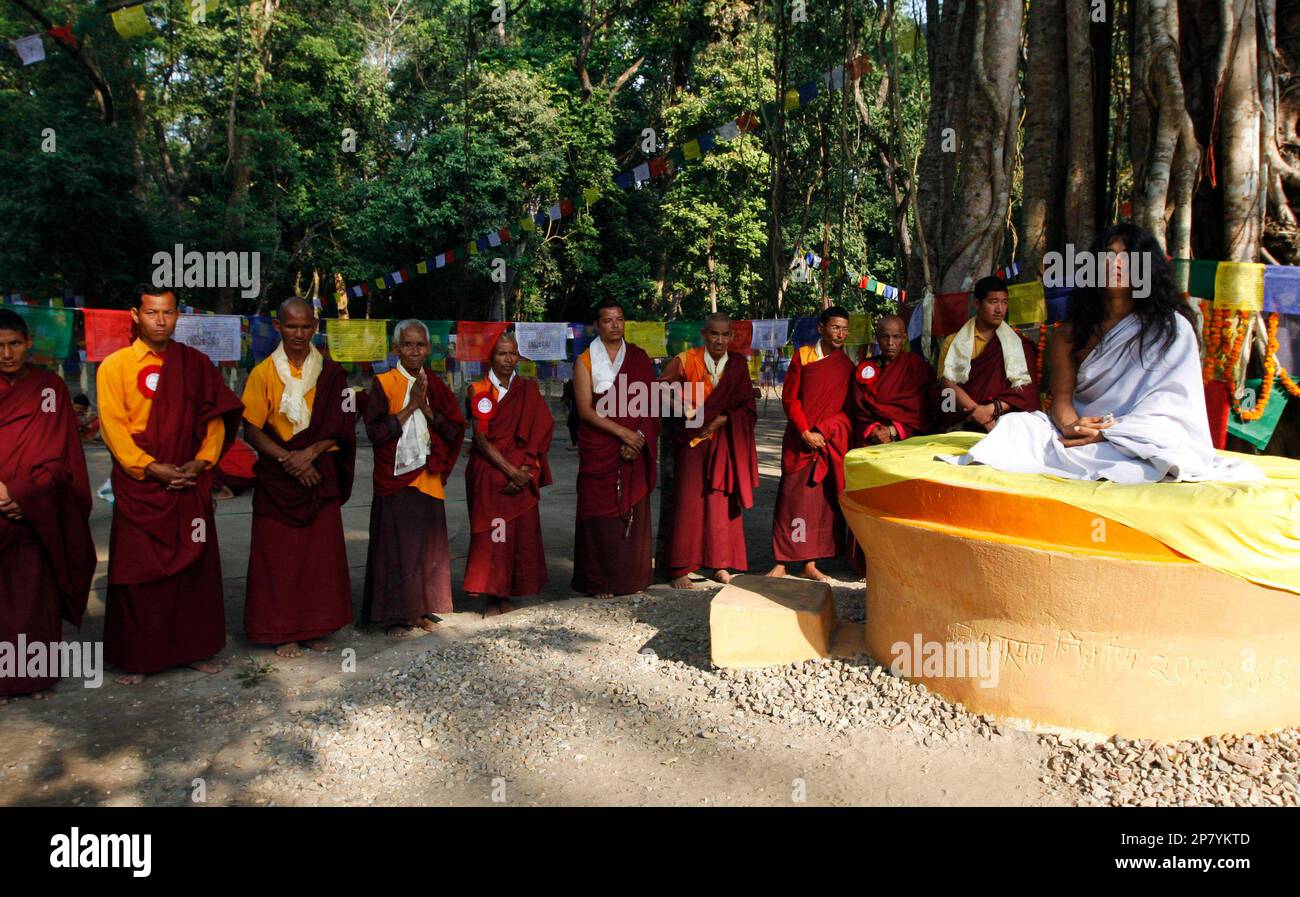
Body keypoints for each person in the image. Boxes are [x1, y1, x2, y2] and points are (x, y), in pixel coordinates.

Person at [946, 224, 1264, 483]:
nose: (1117, 264)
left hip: (1137, 438)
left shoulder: (1172, 329)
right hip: (1079, 432)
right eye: (1109, 256)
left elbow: (1169, 408)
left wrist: (1110, 433)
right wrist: (1075, 429)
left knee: (1152, 456)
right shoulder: (1068, 333)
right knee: (1019, 429)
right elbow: (1061, 403)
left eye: (1129, 257)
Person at [96, 288, 243, 683]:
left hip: (189, 477)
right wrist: (149, 467)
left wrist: (202, 461)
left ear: (178, 316)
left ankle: (192, 649)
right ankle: (140, 656)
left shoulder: (194, 364)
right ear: (135, 314)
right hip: (140, 484)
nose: (160, 321)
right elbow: (113, 428)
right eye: (151, 312)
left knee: (192, 568)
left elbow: (215, 417)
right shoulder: (114, 366)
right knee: (139, 572)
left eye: (168, 313)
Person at [240, 297, 358, 658]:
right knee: (279, 558)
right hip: (280, 476)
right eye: (291, 326)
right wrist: (288, 457)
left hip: (317, 471)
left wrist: (310, 453)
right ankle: (282, 630)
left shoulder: (331, 372)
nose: (299, 333)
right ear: (278, 327)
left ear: (315, 326)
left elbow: (342, 424)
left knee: (318, 558)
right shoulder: (263, 372)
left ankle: (315, 626)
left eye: (306, 326)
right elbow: (251, 428)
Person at [0, 310, 96, 701]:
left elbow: (58, 453)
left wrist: (26, 494)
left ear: (28, 344)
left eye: (14, 344)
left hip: (36, 506)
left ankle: (34, 677)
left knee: (34, 595)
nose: (6, 353)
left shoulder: (49, 388)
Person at [362, 320, 465, 634]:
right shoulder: (384, 383)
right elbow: (376, 433)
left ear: (428, 349)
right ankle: (394, 615)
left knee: (425, 545)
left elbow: (454, 429)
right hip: (395, 478)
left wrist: (428, 410)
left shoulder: (435, 384)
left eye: (420, 345)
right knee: (394, 546)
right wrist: (411, 407)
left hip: (427, 475)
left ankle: (420, 608)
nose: (414, 351)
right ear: (396, 349)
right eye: (408, 345)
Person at [657, 313, 758, 588]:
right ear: (704, 335)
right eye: (715, 334)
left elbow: (748, 407)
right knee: (689, 502)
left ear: (732, 337)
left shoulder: (737, 364)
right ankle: (681, 567)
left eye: (726, 335)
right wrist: (686, 410)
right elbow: (661, 389)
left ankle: (721, 563)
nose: (720, 340)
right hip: (694, 441)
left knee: (720, 501)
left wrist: (722, 419)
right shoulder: (686, 359)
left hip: (724, 440)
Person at [571, 299, 660, 598]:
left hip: (634, 441)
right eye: (608, 320)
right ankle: (599, 581)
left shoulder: (638, 357)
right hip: (601, 446)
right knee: (599, 516)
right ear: (597, 325)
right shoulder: (585, 360)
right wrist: (623, 433)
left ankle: (632, 578)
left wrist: (638, 440)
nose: (615, 325)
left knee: (633, 511)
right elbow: (584, 410)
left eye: (619, 319)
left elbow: (649, 403)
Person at [463, 333, 554, 616]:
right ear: (491, 357)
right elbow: (481, 440)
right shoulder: (478, 389)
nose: (508, 359)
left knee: (516, 535)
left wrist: (526, 470)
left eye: (513, 353)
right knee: (494, 536)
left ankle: (509, 591)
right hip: (492, 472)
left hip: (523, 470)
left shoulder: (528, 388)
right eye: (502, 354)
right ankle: (492, 595)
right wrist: (512, 472)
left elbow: (541, 429)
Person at [767, 306, 855, 581]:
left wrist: (825, 432)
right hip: (800, 440)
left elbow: (849, 408)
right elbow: (791, 398)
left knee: (818, 507)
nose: (839, 334)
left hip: (827, 442)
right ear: (821, 328)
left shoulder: (846, 366)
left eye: (844, 329)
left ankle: (810, 563)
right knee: (791, 500)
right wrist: (805, 431)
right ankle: (782, 561)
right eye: (834, 327)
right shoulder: (803, 356)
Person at [932, 276, 1039, 432]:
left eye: (1004, 302)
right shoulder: (954, 342)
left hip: (1008, 418)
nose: (999, 309)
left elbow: (1026, 389)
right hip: (967, 418)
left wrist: (991, 410)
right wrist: (979, 414)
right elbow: (948, 384)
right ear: (977, 304)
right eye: (993, 302)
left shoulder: (1018, 344)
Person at [854, 314, 933, 444]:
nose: (890, 343)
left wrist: (892, 430)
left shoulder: (917, 366)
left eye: (896, 337)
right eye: (885, 337)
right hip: (872, 436)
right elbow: (858, 408)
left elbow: (923, 410)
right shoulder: (865, 368)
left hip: (907, 436)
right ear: (877, 338)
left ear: (904, 338)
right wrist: (873, 429)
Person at [561, 378, 579, 449]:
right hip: (575, 413)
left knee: (573, 425)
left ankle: (575, 442)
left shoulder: (571, 387)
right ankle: (575, 442)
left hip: (576, 413)